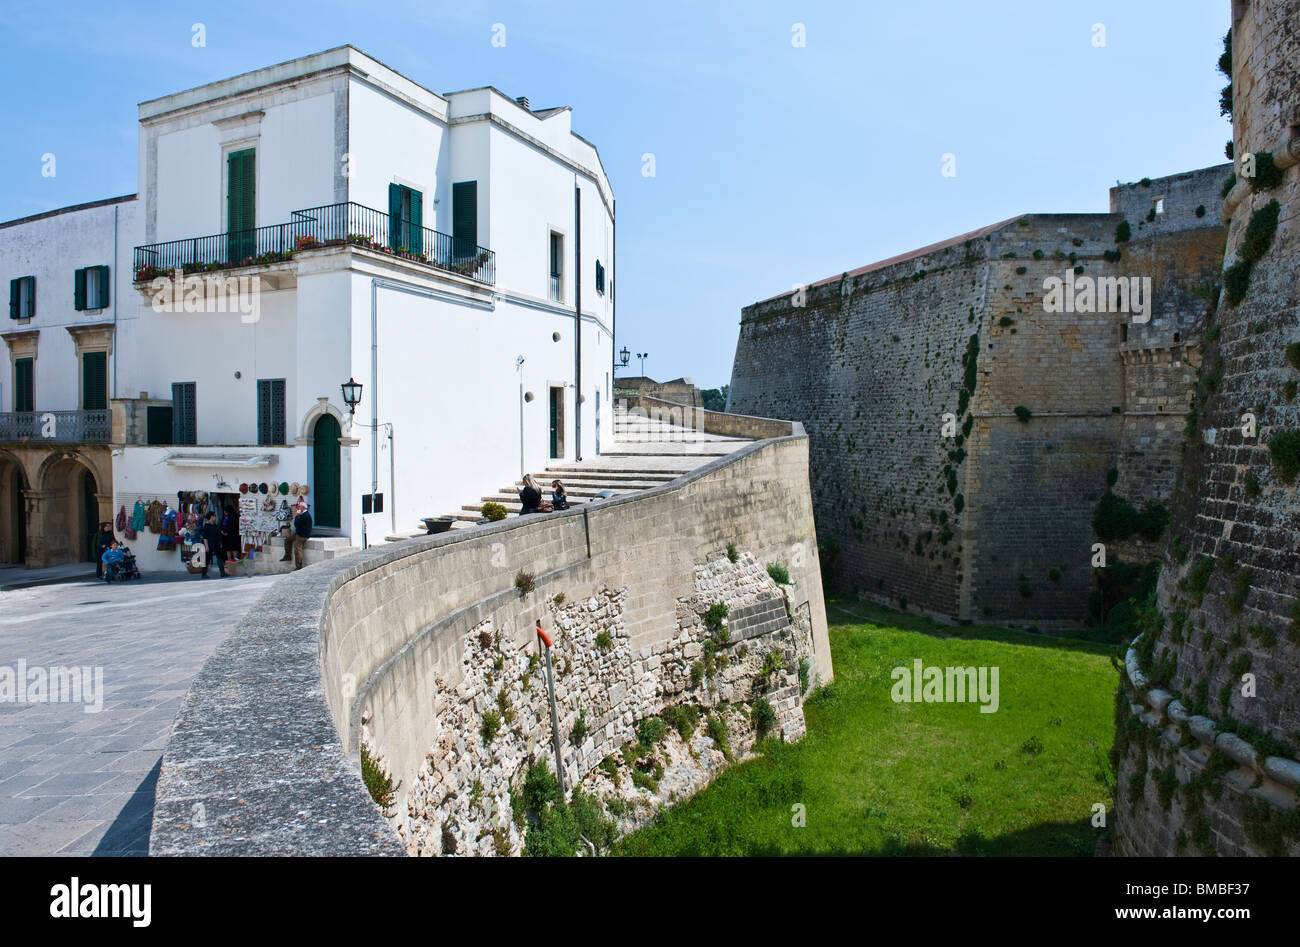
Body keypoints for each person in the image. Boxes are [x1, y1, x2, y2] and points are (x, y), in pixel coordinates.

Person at [200, 512, 225, 578]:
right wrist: (206, 546)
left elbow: (218, 535)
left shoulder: (215, 525)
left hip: (216, 543)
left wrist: (220, 543)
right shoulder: (206, 526)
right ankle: (204, 573)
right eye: (214, 516)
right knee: (207, 559)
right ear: (211, 517)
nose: (215, 517)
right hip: (210, 544)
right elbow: (205, 537)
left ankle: (222, 572)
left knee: (220, 557)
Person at [291, 502, 312, 570]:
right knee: (288, 539)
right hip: (299, 533)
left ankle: (298, 566)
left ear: (303, 508)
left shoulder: (305, 515)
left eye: (299, 506)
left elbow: (297, 524)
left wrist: (297, 516)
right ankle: (287, 556)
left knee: (297, 549)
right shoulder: (304, 514)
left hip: (302, 535)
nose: (298, 508)